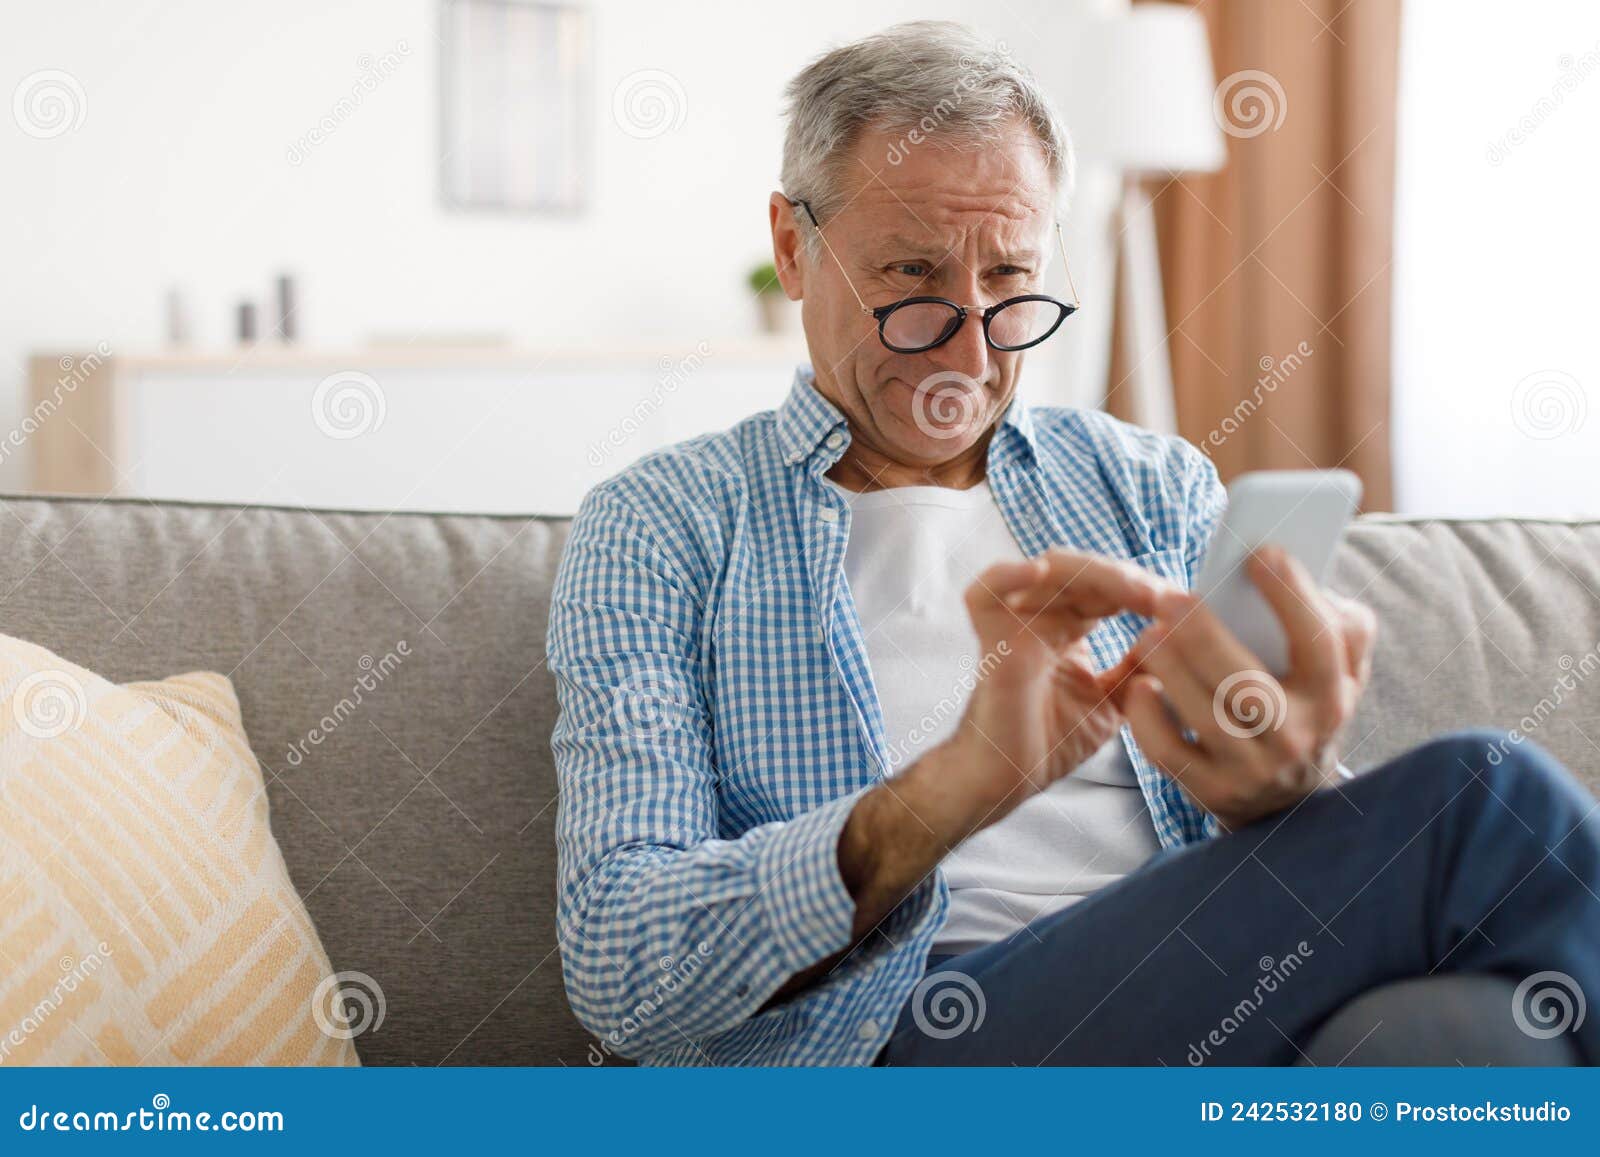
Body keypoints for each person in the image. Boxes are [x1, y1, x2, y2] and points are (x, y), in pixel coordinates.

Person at [547, 21, 1598, 1066]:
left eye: (1007, 280)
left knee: (1472, 1038)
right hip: (892, 1044)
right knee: (1486, 798)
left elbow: (1300, 885)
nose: (967, 345)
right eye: (911, 275)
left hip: (1201, 1020)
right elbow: (619, 963)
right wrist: (954, 784)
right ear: (792, 246)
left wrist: (1289, 783)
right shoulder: (665, 525)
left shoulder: (1148, 482)